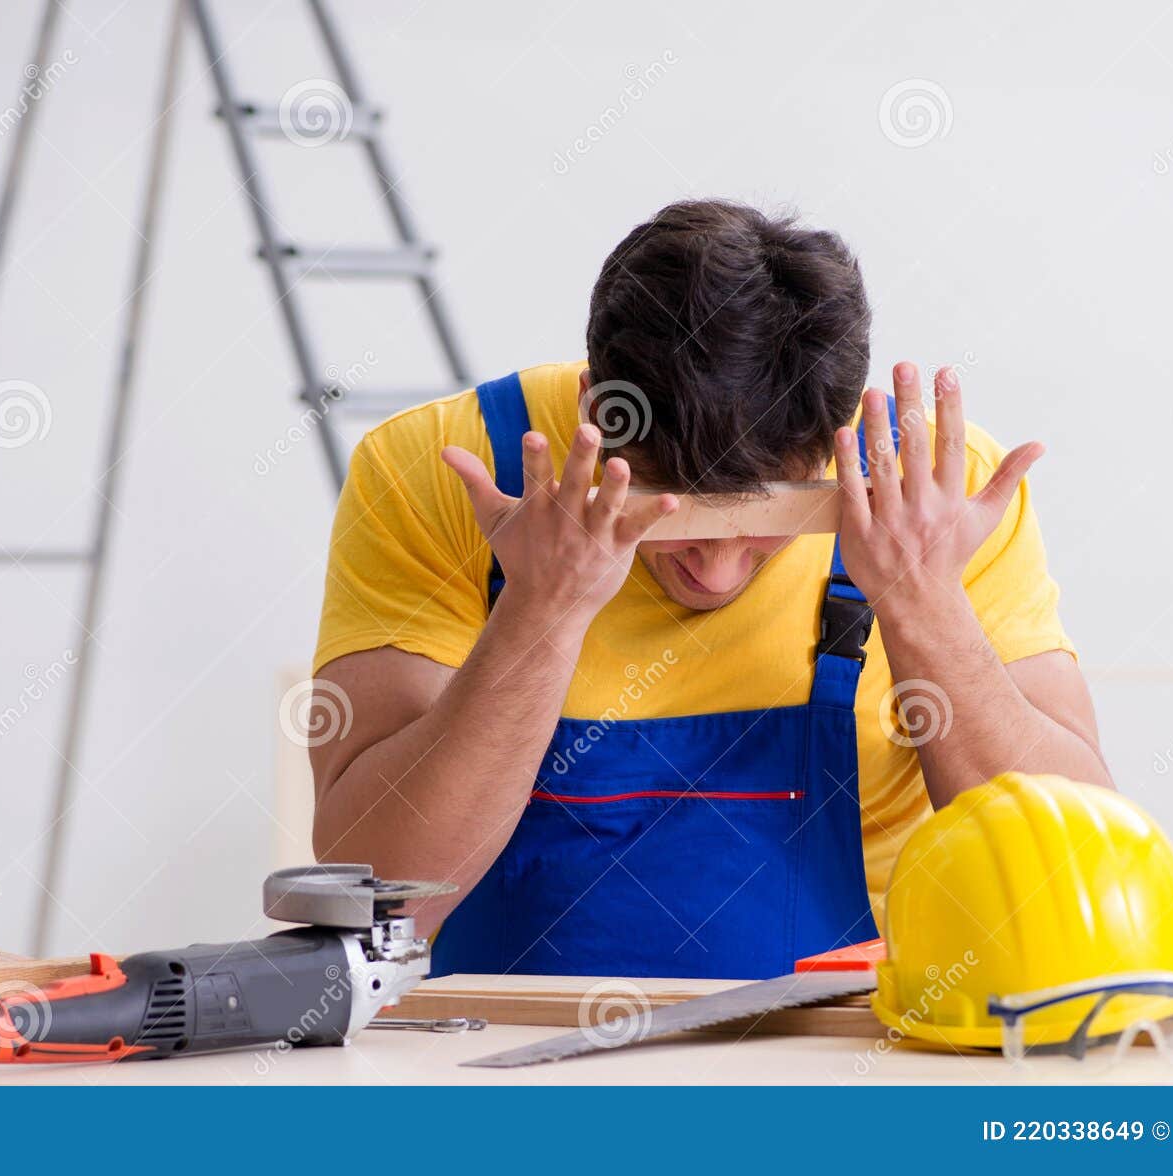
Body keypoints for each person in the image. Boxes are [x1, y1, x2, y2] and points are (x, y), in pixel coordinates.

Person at [308, 199, 1109, 979]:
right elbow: (380, 892)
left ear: (830, 454)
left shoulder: (936, 497)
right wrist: (541, 611)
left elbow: (1075, 866)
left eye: (772, 518)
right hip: (500, 1068)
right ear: (599, 411)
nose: (718, 570)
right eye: (676, 513)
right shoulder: (447, 474)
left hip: (843, 1063)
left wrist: (922, 600)